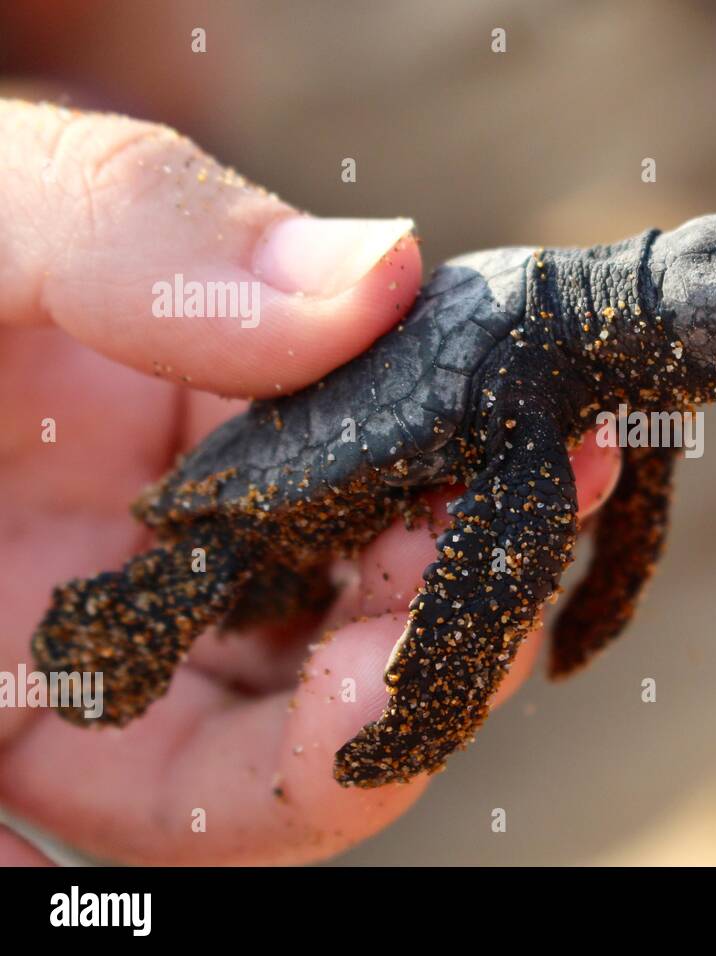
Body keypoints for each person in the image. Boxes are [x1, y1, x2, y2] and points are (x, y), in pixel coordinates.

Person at [0, 100, 622, 865]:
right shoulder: (555, 356)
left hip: (294, 503)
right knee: (514, 532)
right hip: (259, 497)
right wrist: (423, 708)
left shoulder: (596, 370)